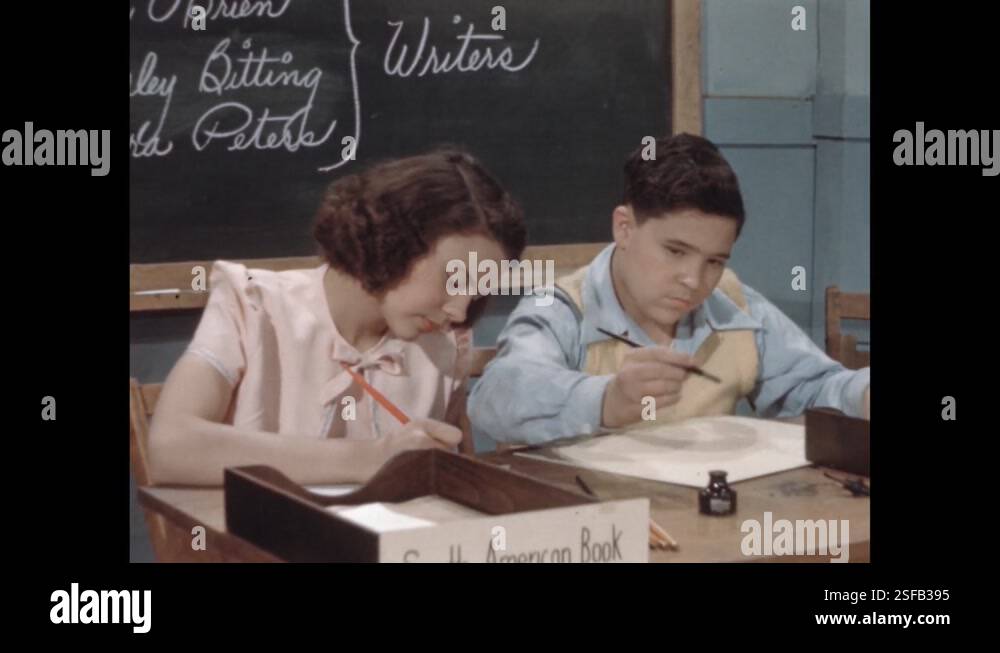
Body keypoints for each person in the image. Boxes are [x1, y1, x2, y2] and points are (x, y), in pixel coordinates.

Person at [149, 150, 526, 484]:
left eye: (477, 290)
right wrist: (371, 458)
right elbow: (170, 446)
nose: (459, 311)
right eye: (453, 279)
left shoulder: (445, 343)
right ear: (394, 241)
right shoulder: (251, 304)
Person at [468, 134, 870, 445]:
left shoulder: (732, 304)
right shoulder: (561, 308)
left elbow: (809, 387)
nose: (694, 280)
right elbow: (497, 396)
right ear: (624, 227)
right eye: (675, 251)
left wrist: (861, 393)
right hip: (598, 533)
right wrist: (607, 400)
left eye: (715, 261)